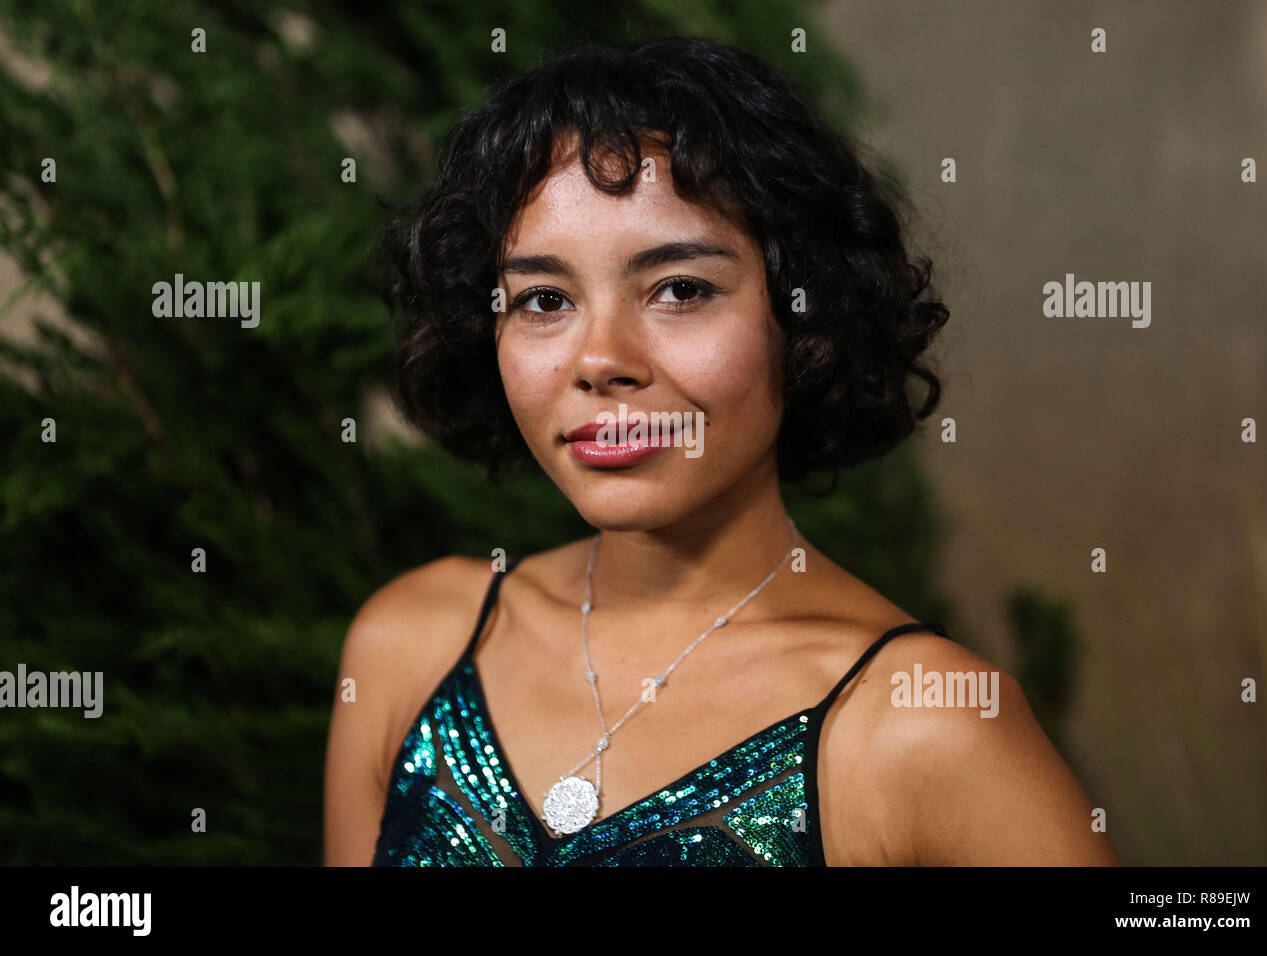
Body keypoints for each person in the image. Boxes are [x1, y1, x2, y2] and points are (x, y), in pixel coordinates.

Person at [323, 36, 1119, 866]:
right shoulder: (411, 646)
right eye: (545, 299)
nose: (600, 360)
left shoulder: (928, 725)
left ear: (801, 320)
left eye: (680, 290)